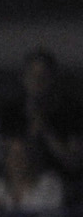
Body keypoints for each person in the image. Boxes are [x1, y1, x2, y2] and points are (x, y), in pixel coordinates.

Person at [6, 49, 83, 181]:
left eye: (43, 76)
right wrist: (33, 131)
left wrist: (46, 130)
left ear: (53, 79)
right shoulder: (11, 111)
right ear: (23, 78)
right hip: (24, 186)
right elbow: (7, 162)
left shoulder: (71, 111)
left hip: (63, 183)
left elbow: (74, 162)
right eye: (32, 75)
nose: (37, 82)